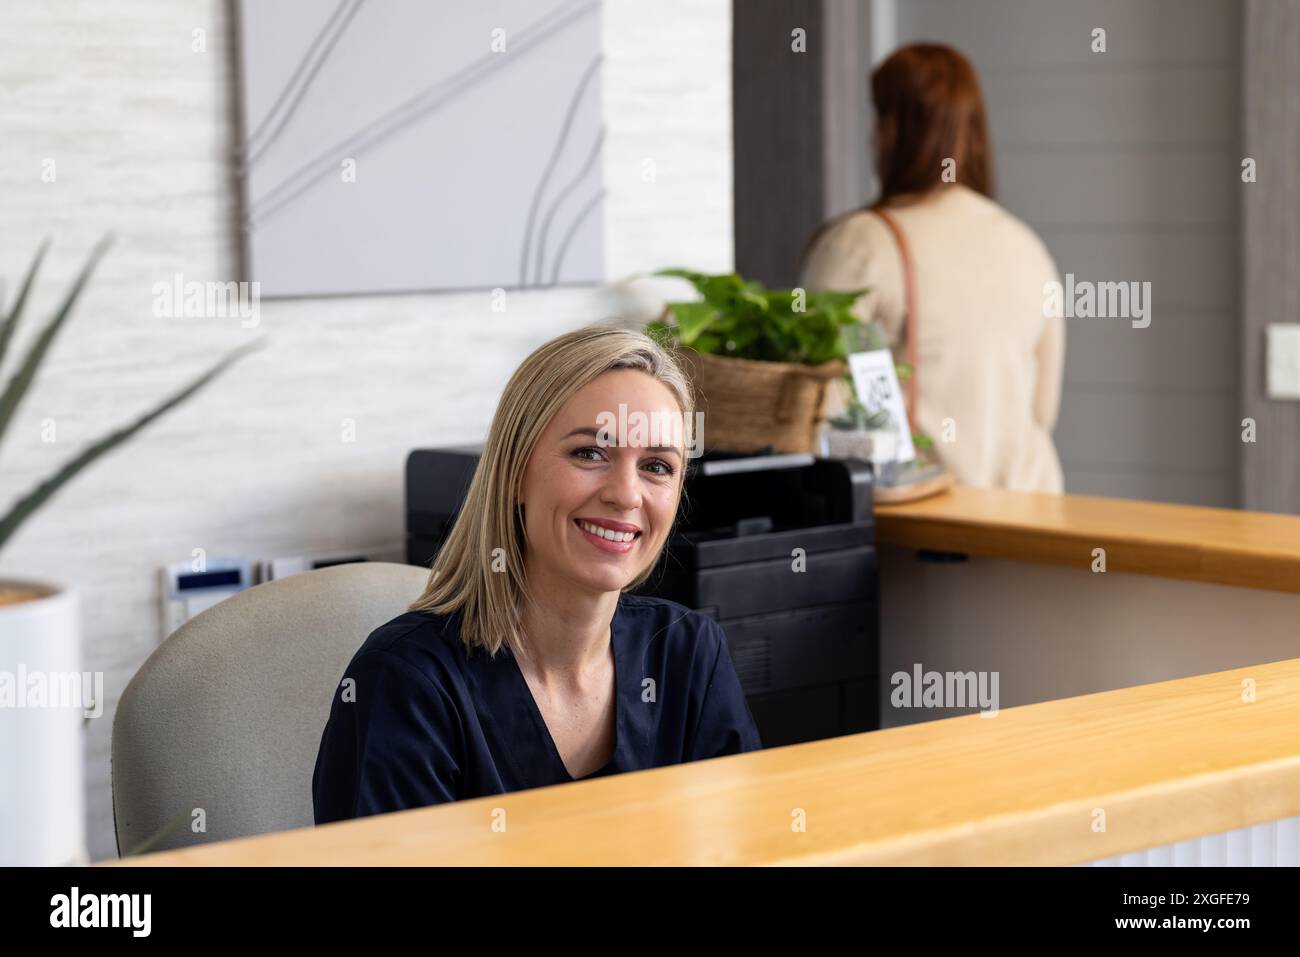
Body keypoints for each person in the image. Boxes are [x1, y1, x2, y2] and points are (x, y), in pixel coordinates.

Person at [313, 325, 762, 822]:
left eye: (657, 466)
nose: (626, 495)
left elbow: (742, 846)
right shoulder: (406, 681)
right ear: (515, 474)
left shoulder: (688, 653)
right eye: (590, 453)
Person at [803, 43, 1065, 493]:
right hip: (1035, 523)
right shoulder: (1028, 246)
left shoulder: (859, 244)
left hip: (926, 534)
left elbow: (816, 411)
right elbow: (1042, 413)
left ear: (890, 129)